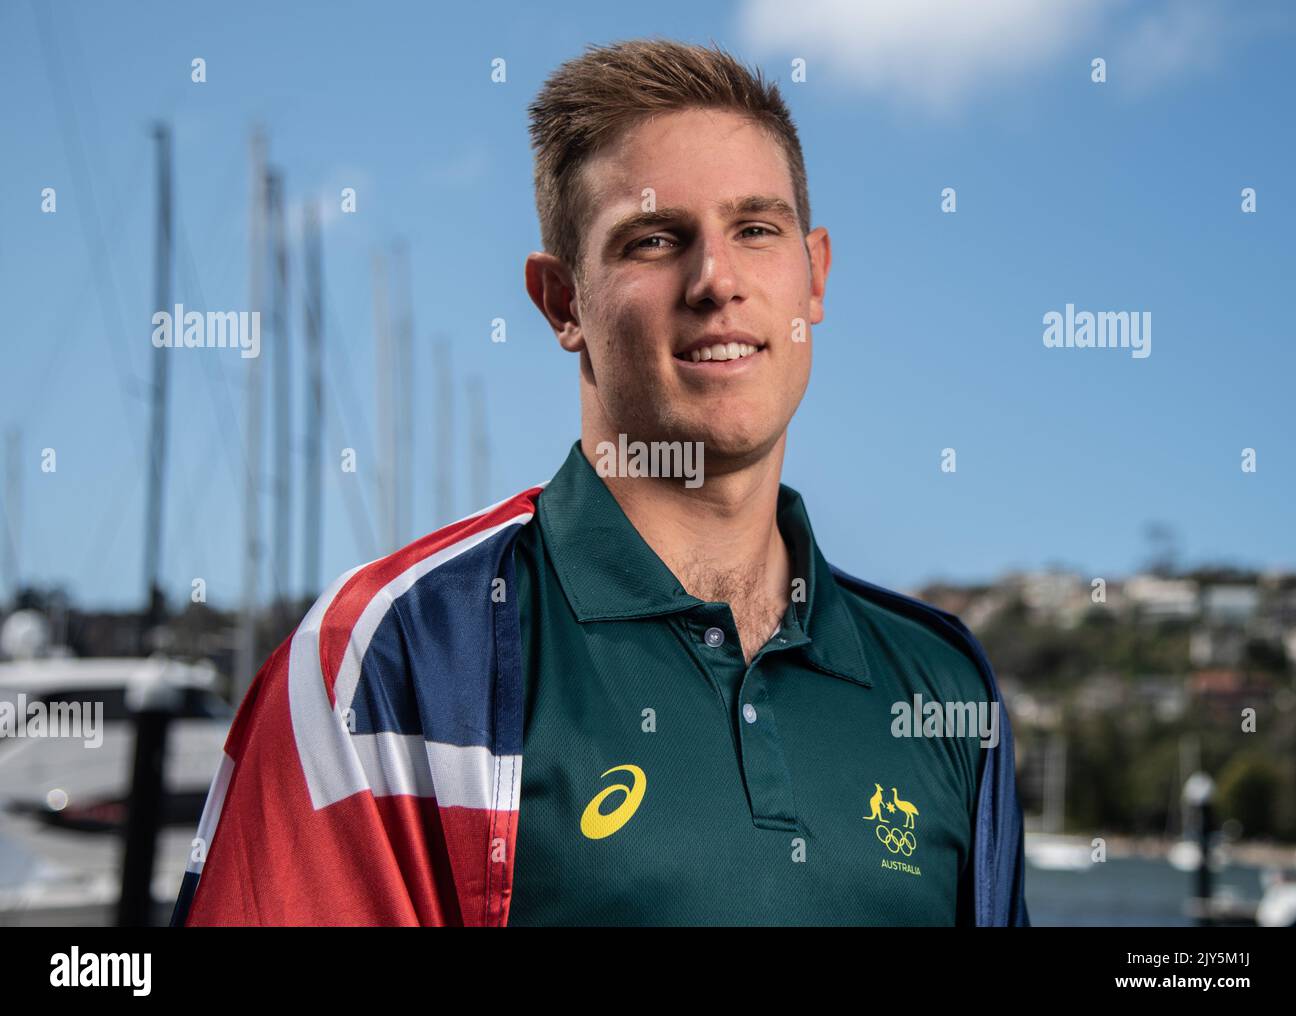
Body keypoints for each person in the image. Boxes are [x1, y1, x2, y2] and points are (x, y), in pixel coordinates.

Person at [172, 38, 1029, 927]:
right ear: (562, 303)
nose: (716, 281)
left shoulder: (941, 688)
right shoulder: (397, 657)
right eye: (655, 240)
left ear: (813, 274)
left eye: (756, 230)